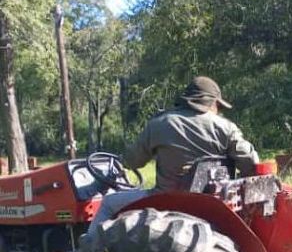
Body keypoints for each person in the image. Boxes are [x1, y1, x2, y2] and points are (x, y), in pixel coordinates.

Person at [87, 76, 259, 236]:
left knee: (109, 202)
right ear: (211, 103)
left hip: (165, 200)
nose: (218, 110)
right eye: (218, 106)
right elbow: (250, 163)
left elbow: (133, 161)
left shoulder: (160, 124)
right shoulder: (226, 127)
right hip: (211, 204)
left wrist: (122, 160)